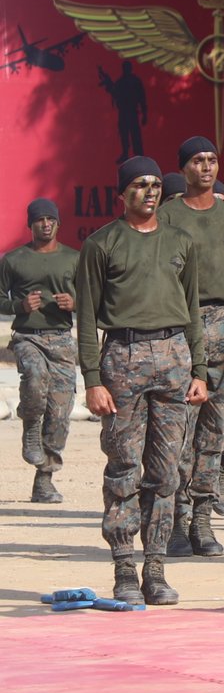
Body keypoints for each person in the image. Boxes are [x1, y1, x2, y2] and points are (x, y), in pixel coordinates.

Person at [76, 157, 206, 606]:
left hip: (174, 358)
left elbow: (193, 311)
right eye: (139, 185)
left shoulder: (181, 242)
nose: (149, 191)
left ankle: (156, 567)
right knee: (124, 467)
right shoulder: (101, 244)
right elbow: (88, 317)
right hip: (123, 358)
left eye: (154, 184)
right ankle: (124, 568)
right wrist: (93, 379)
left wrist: (200, 371)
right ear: (122, 194)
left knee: (166, 470)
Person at [159, 135, 224, 557]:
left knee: (216, 426)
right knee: (181, 430)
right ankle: (176, 523)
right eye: (198, 160)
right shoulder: (167, 216)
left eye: (213, 159)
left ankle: (202, 521)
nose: (207, 167)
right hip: (183, 325)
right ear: (183, 168)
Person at [1, 198, 80, 502]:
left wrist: (75, 304)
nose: (45, 224)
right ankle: (31, 428)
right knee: (34, 380)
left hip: (61, 338)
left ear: (58, 223)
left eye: (51, 219)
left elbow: (95, 298)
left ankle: (44, 480)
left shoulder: (73, 259)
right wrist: (17, 306)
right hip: (27, 336)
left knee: (60, 411)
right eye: (39, 220)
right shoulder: (14, 260)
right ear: (29, 225)